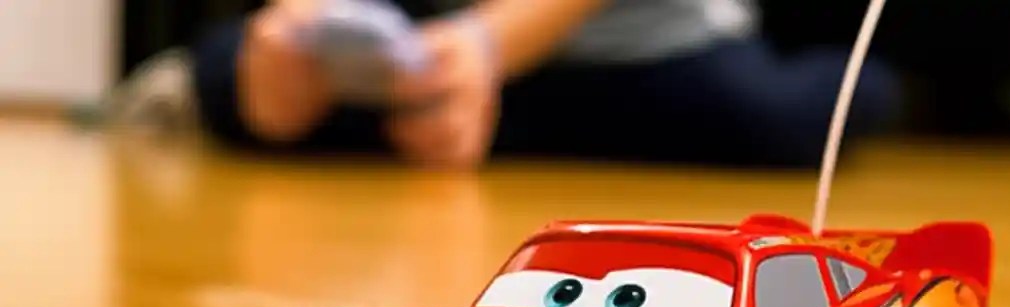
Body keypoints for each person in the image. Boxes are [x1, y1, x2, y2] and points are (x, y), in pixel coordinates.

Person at [192, 0, 901, 168]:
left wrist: (486, 45)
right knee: (231, 71)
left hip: (657, 55)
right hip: (446, 50)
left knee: (797, 115)